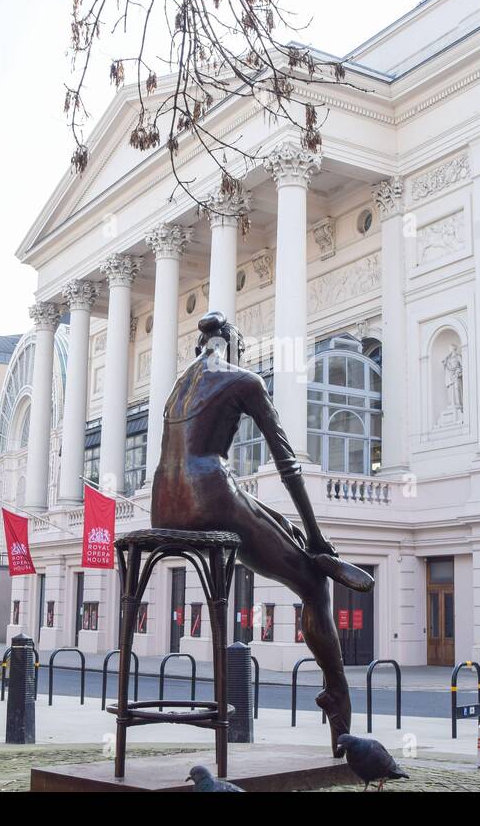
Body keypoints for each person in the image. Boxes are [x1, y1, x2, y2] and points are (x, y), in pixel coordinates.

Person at [151, 312, 373, 754]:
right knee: (312, 582)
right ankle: (337, 691)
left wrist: (286, 524)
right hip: (210, 498)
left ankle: (298, 541)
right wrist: (315, 534)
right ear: (233, 346)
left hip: (165, 503)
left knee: (276, 523)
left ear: (202, 347)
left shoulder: (178, 387)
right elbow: (288, 464)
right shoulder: (245, 381)